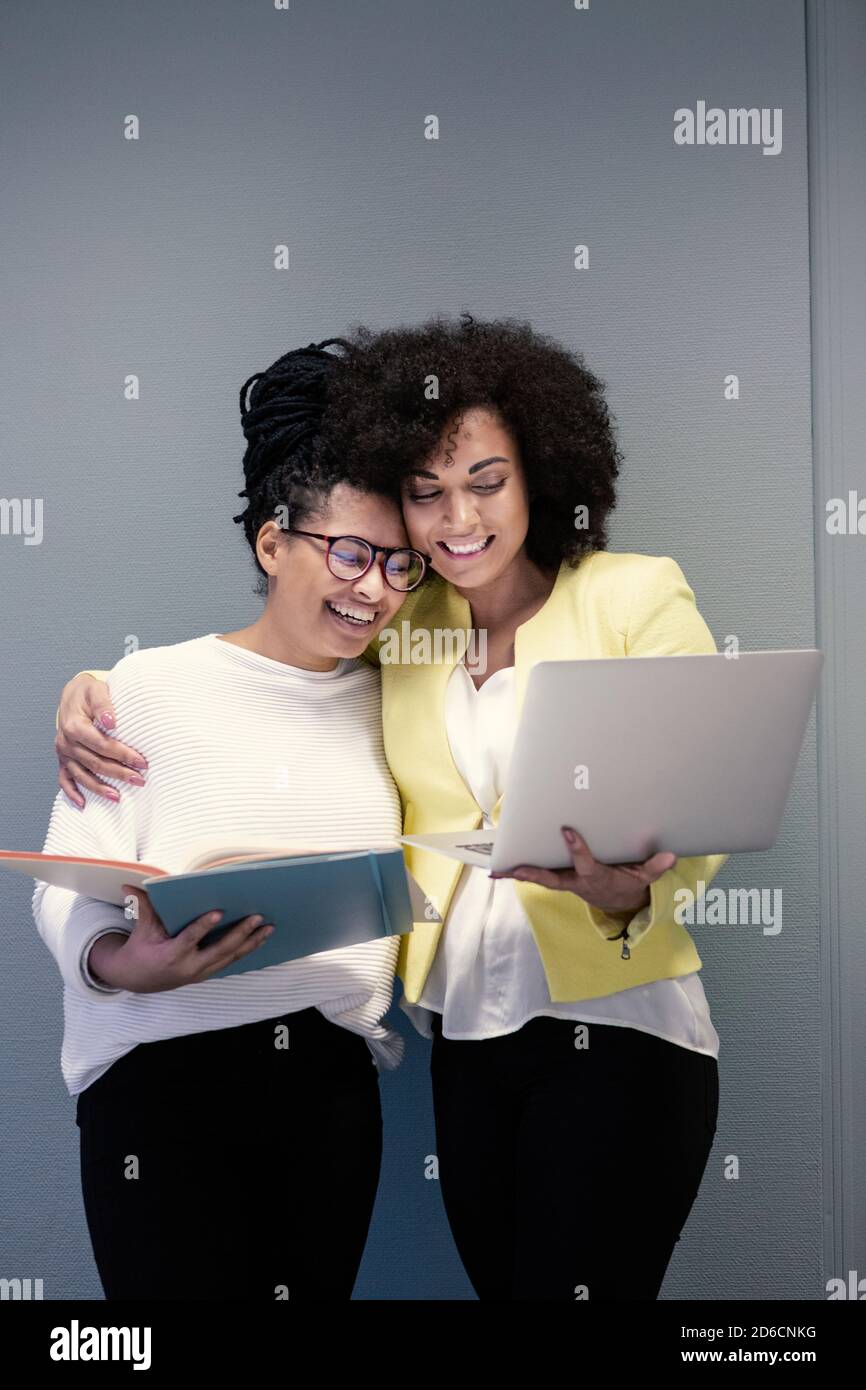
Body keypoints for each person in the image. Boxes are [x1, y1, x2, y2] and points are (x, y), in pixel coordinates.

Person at [54, 313, 728, 1301]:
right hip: (461, 1042)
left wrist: (628, 897)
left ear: (539, 472)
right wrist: (90, 688)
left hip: (617, 1024)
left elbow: (702, 789)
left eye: (485, 481)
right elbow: (259, 672)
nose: (455, 518)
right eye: (426, 495)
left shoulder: (626, 596)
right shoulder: (404, 628)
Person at [34, 339, 430, 1300]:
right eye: (346, 552)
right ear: (271, 543)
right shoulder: (147, 688)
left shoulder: (403, 704)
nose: (371, 587)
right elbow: (64, 880)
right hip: (159, 1086)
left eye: (398, 565)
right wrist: (119, 963)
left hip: (331, 1094)